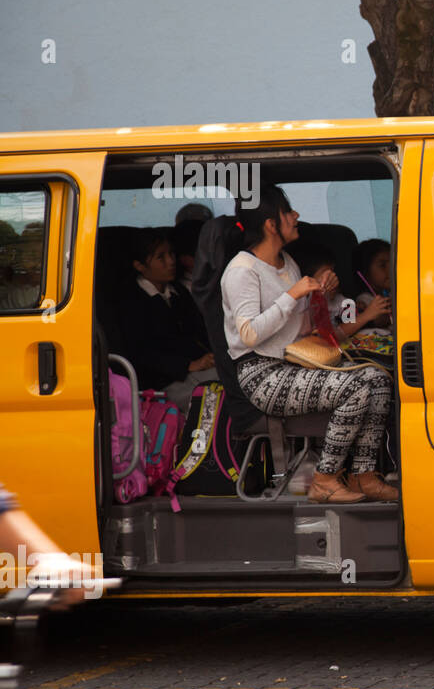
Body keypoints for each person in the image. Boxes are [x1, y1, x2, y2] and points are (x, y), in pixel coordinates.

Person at [220, 186, 396, 504]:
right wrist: (293, 295)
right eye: (289, 212)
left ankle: (363, 475)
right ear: (271, 224)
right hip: (263, 373)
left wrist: (320, 293)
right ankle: (325, 479)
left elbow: (306, 328)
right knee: (355, 387)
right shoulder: (241, 270)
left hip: (298, 361)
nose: (296, 216)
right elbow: (248, 334)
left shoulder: (287, 263)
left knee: (379, 380)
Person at [118, 228, 218, 411]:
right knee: (222, 389)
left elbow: (199, 331)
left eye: (171, 254)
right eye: (160, 257)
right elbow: (141, 353)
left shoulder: (178, 292)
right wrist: (189, 365)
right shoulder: (131, 302)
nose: (171, 262)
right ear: (139, 265)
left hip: (198, 368)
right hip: (163, 382)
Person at [352, 238, 393, 333]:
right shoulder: (364, 300)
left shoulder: (392, 294)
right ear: (365, 272)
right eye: (382, 265)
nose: (390, 269)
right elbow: (378, 321)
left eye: (392, 263)